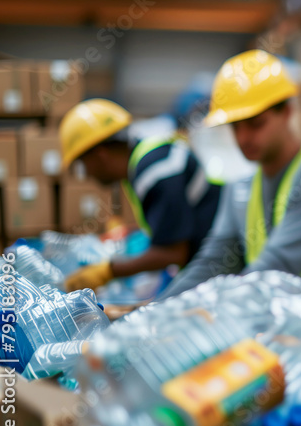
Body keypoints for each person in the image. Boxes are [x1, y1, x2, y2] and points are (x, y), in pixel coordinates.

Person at [156, 50, 301, 299]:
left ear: (287, 112)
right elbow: (213, 263)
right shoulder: (242, 184)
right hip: (273, 319)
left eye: (256, 124)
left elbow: (275, 268)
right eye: (235, 127)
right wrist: (154, 314)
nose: (243, 138)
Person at [60, 99, 221, 292]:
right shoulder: (145, 161)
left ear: (100, 154)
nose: (86, 175)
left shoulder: (154, 171)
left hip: (220, 273)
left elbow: (173, 253)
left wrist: (107, 271)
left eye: (82, 164)